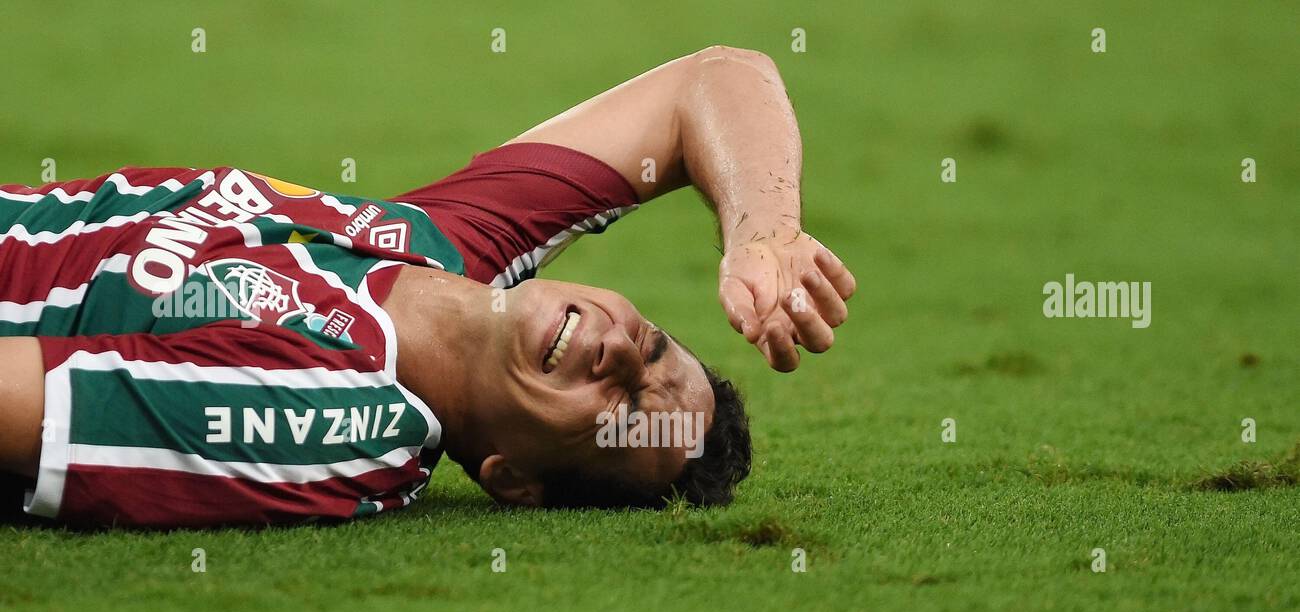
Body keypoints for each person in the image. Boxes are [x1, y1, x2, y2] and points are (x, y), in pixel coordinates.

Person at [0, 47, 855, 528]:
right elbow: (712, 79)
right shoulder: (460, 248)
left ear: (512, 478)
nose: (620, 354)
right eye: (655, 346)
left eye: (626, 412)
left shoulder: (340, 418)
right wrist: (763, 231)